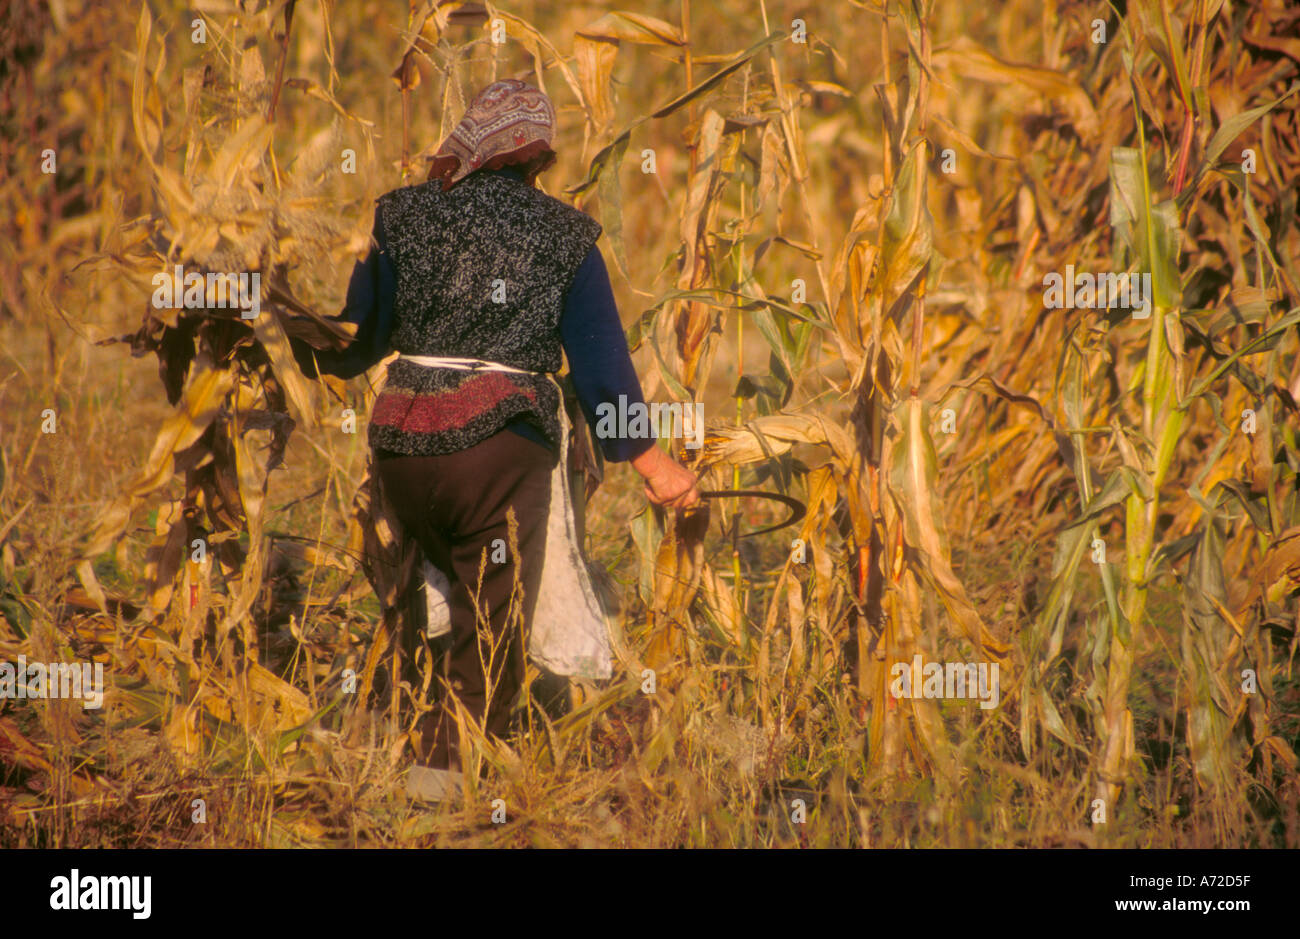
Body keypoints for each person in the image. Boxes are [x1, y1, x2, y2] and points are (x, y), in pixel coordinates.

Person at [291, 79, 700, 802]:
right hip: (498, 449)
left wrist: (277, 330)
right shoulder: (565, 235)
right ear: (536, 157)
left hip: (403, 449)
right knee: (491, 612)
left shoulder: (399, 215)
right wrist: (651, 459)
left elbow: (357, 342)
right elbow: (603, 373)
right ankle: (444, 783)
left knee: (434, 582)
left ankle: (398, 741)